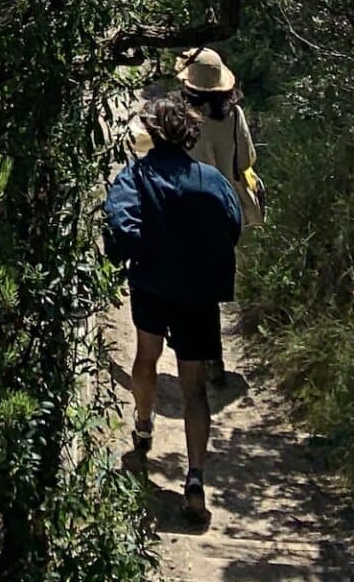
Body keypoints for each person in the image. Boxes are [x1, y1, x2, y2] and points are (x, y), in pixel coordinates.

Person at [105, 96, 243, 527]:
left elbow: (120, 224)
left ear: (153, 134)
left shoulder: (136, 175)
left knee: (146, 356)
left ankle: (143, 425)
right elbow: (233, 224)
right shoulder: (210, 179)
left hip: (151, 285)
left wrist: (135, 253)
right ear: (188, 135)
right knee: (194, 387)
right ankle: (196, 477)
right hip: (198, 294)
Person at [177, 47, 262, 385]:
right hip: (226, 214)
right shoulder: (235, 116)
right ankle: (212, 360)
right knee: (208, 291)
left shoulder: (183, 119)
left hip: (189, 213)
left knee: (188, 284)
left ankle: (195, 355)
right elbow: (245, 162)